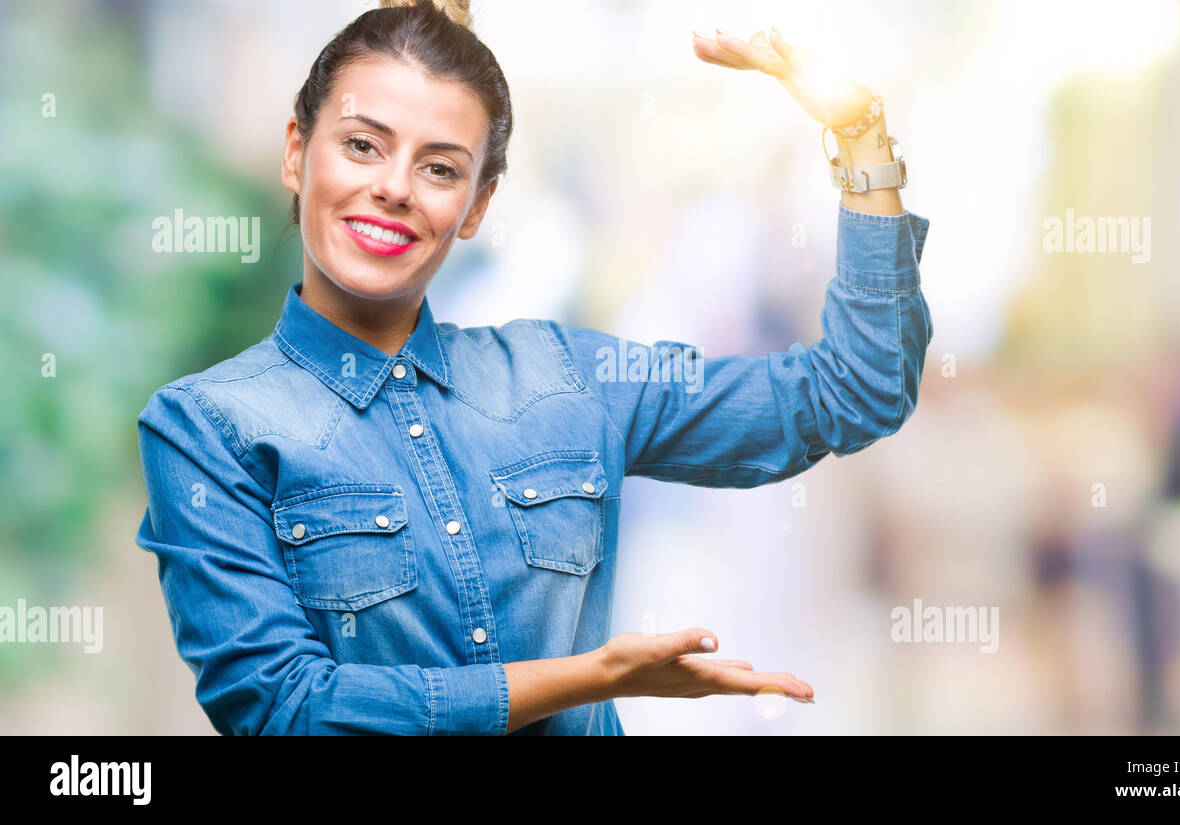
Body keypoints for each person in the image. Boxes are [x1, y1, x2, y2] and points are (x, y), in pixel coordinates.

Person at [134, 0, 933, 735]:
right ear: (297, 152)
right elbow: (285, 709)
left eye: (441, 167)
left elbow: (853, 391)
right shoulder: (206, 426)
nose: (393, 189)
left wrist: (862, 136)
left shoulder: (567, 375)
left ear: (477, 206)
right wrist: (584, 677)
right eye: (362, 145)